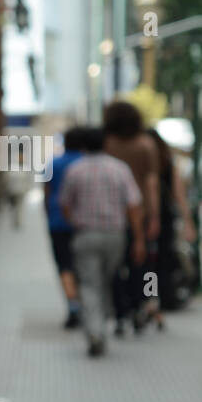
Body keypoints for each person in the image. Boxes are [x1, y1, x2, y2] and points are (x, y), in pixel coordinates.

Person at [57, 126, 146, 357]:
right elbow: (133, 204)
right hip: (115, 235)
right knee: (105, 281)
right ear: (105, 144)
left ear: (84, 146)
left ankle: (95, 330)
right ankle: (100, 329)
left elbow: (64, 202)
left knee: (89, 283)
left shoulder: (75, 171)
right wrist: (138, 238)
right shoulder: (119, 169)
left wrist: (75, 220)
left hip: (86, 234)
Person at [101, 101, 158, 335]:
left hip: (111, 213)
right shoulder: (146, 144)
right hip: (141, 211)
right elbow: (151, 182)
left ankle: (120, 312)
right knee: (143, 264)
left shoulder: (107, 144)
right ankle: (143, 305)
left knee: (115, 266)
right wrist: (154, 216)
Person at [146, 127, 197, 316]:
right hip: (164, 218)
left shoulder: (149, 163)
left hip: (148, 217)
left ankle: (149, 297)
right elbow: (179, 195)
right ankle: (160, 297)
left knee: (149, 260)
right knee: (162, 259)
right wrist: (188, 222)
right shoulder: (167, 162)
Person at [43, 125, 90, 329]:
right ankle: (84, 304)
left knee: (64, 265)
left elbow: (46, 193)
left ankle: (72, 305)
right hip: (84, 222)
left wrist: (49, 216)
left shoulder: (52, 164)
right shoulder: (87, 163)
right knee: (82, 264)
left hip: (58, 222)